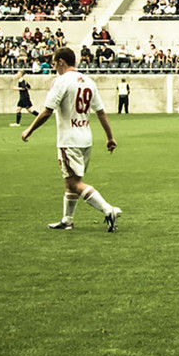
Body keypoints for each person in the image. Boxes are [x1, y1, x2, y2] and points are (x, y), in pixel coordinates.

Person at [19, 45, 121, 232]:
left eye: (54, 64)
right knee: (70, 181)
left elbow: (47, 111)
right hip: (85, 138)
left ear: (61, 62)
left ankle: (108, 209)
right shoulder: (89, 81)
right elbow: (101, 112)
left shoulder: (61, 81)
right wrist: (110, 137)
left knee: (75, 183)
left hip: (69, 139)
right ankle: (67, 220)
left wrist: (29, 130)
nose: (54, 68)